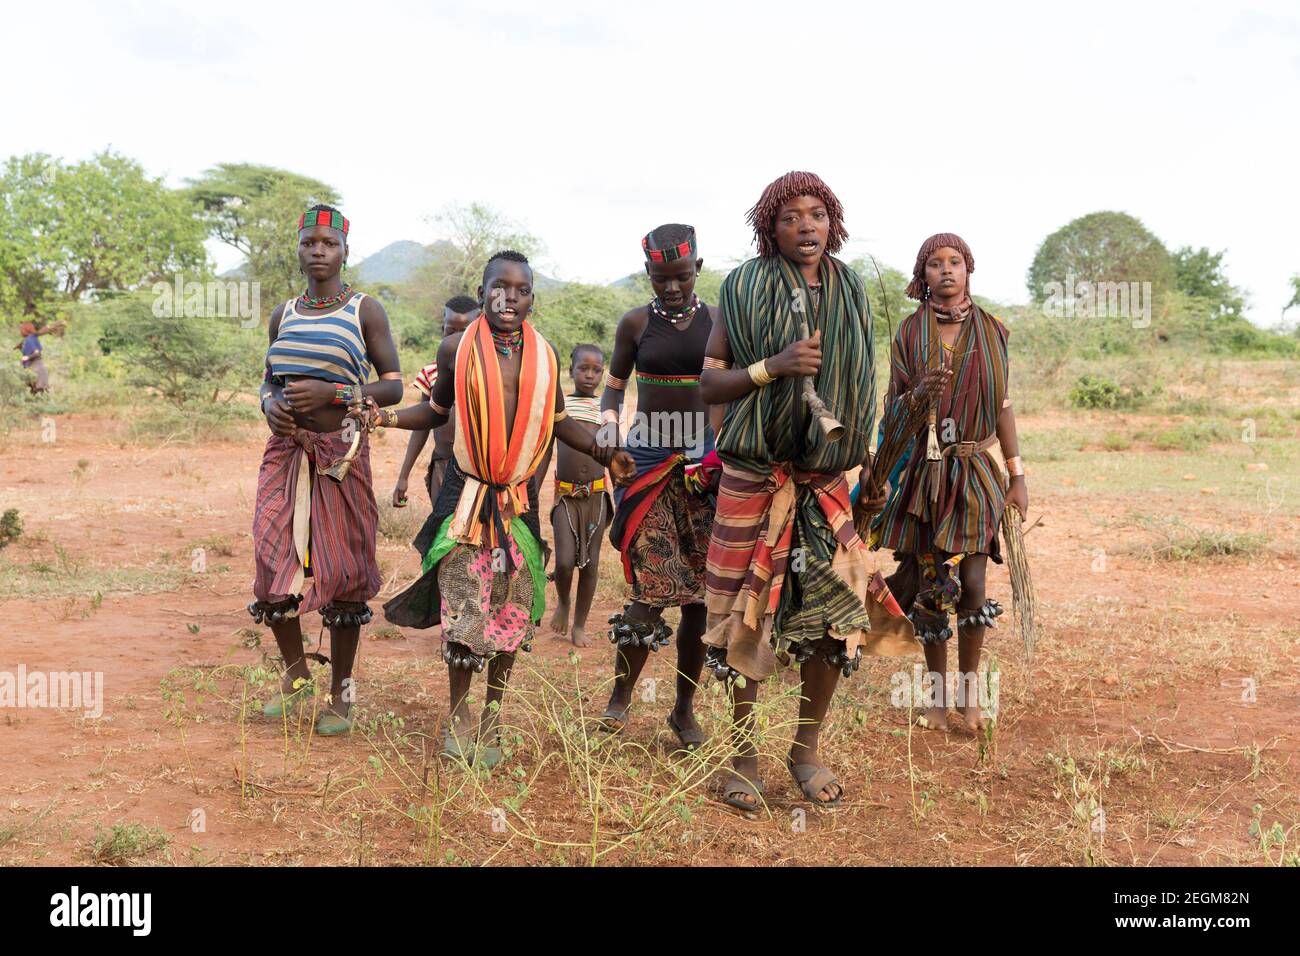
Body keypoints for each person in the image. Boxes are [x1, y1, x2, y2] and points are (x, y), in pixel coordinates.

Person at [698, 172, 919, 810]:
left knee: (833, 622)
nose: (806, 225)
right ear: (770, 225)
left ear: (834, 222)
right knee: (744, 620)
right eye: (791, 215)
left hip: (825, 482)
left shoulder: (851, 287)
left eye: (817, 214)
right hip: (755, 478)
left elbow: (860, 382)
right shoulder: (740, 288)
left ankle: (805, 751)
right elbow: (708, 389)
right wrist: (775, 367)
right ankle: (740, 756)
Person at [377, 251, 635, 768]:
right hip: (467, 497)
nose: (509, 297)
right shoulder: (456, 349)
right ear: (482, 293)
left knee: (511, 611)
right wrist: (382, 418)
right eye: (500, 287)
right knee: (463, 608)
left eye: (520, 289)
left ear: (532, 299)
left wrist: (605, 451)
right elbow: (435, 411)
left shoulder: (545, 355)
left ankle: (494, 713)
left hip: (518, 502)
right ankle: (458, 715)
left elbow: (559, 420)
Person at [249, 204, 404, 736]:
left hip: (340, 455)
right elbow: (271, 379)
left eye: (328, 243)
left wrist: (337, 392)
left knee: (344, 569)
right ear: (298, 250)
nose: (318, 251)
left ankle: (342, 694)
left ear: (344, 250)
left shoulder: (366, 311)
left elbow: (393, 385)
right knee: (272, 560)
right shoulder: (283, 314)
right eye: (309, 243)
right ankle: (294, 678)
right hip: (286, 452)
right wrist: (270, 405)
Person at [873, 233, 1028, 734]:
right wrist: (916, 397)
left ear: (968, 269)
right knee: (934, 587)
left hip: (976, 472)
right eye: (935, 263)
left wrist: (1018, 475)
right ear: (923, 274)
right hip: (925, 474)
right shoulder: (909, 333)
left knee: (974, 587)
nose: (946, 270)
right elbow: (892, 408)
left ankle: (971, 697)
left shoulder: (993, 330)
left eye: (954, 262)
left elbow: (1002, 407)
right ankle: (938, 702)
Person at [597, 224, 721, 751]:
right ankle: (620, 699)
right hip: (647, 462)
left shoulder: (719, 321)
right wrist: (608, 435)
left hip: (704, 465)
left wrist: (715, 449)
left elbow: (726, 391)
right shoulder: (634, 323)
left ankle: (683, 710)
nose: (672, 288)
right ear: (647, 273)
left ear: (697, 268)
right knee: (650, 590)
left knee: (698, 600)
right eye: (661, 278)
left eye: (681, 277)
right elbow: (613, 390)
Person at [544, 344, 611, 648]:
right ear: (570, 371)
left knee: (592, 564)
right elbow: (544, 451)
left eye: (596, 370)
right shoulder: (559, 409)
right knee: (564, 562)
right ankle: (562, 602)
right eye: (583, 369)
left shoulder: (606, 410)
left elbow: (614, 454)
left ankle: (580, 624)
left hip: (596, 496)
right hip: (566, 497)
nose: (589, 375)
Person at [391, 295, 479, 510]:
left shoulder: (486, 375)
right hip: (442, 465)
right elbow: (422, 426)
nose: (456, 340)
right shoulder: (431, 372)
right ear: (443, 330)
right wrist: (404, 476)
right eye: (451, 332)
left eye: (465, 332)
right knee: (442, 536)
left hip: (479, 471)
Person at [17, 322, 49, 395]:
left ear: (25, 330)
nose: (20, 331)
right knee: (35, 396)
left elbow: (37, 353)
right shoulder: (33, 338)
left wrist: (26, 357)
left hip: (36, 369)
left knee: (33, 394)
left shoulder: (29, 339)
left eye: (21, 329)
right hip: (40, 368)